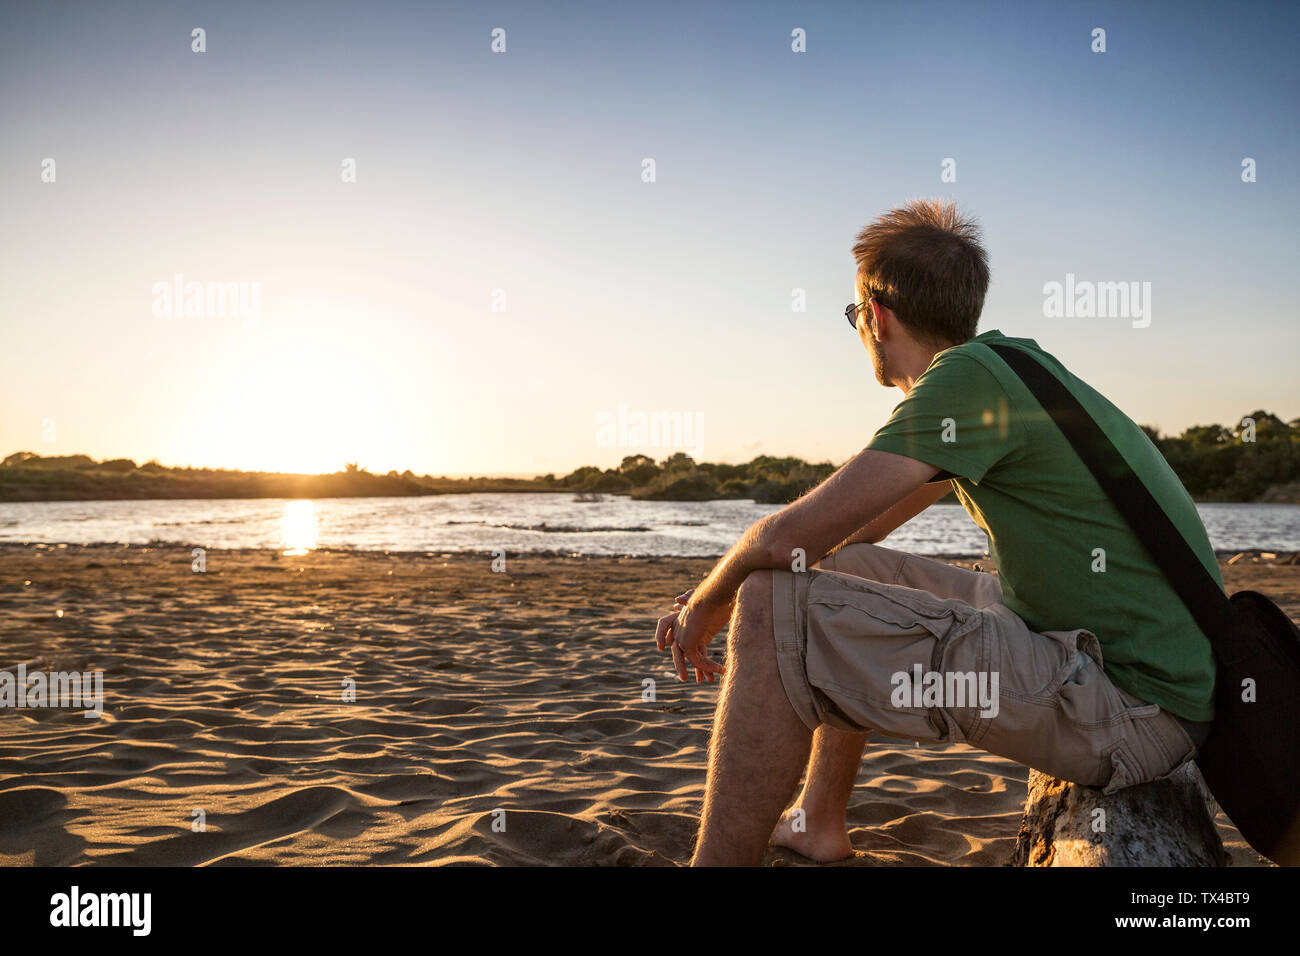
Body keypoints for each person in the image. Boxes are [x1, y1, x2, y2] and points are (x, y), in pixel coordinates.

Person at [653, 199, 1218, 866]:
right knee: (853, 569)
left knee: (765, 600)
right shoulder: (1009, 369)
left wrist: (703, 607)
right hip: (1121, 665)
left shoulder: (966, 380)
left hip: (1132, 707)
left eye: (854, 315)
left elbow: (783, 540)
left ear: (876, 316)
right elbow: (842, 538)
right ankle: (818, 822)